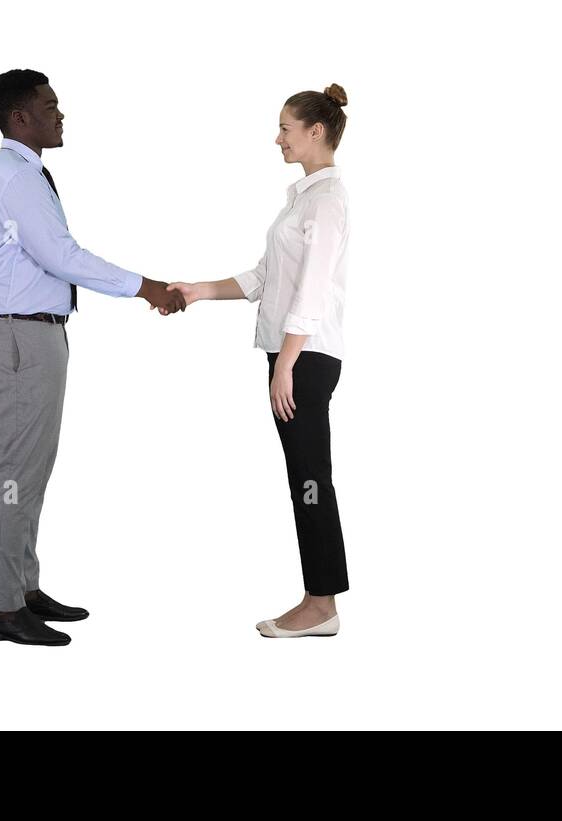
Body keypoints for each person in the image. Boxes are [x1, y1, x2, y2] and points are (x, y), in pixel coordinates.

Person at [0, 69, 185, 646]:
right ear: (21, 117)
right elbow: (61, 256)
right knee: (15, 473)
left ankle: (22, 589)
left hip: (30, 332)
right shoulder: (15, 179)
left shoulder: (23, 173)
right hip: (17, 336)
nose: (60, 115)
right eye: (50, 106)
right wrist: (148, 287)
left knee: (29, 470)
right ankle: (3, 608)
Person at [165, 84, 350, 638]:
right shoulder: (301, 198)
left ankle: (321, 605)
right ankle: (320, 601)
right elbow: (264, 278)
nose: (278, 138)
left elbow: (313, 292)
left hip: (307, 358)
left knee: (311, 478)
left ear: (315, 131)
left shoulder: (328, 201)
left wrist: (286, 363)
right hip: (292, 354)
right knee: (304, 477)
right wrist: (200, 289)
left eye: (286, 128)